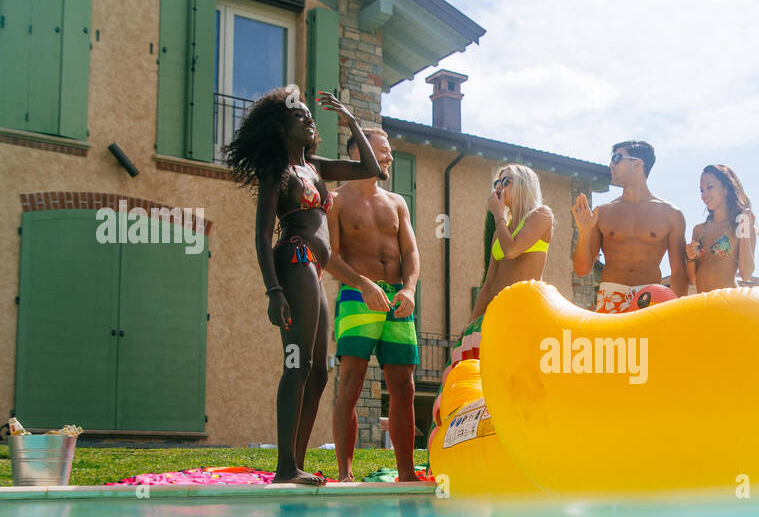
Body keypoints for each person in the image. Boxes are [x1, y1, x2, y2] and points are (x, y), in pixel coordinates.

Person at [225, 86, 382, 485]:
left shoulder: (315, 168)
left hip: (314, 268)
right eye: (300, 117)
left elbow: (371, 168)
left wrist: (350, 119)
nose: (310, 121)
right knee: (297, 363)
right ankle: (284, 467)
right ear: (280, 127)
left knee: (318, 373)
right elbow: (262, 236)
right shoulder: (276, 171)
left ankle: (293, 461)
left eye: (312, 117)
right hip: (293, 261)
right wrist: (273, 291)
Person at [324, 129, 421, 482]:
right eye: (382, 152)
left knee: (404, 386)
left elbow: (411, 252)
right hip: (356, 298)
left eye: (390, 152)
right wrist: (363, 284)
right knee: (350, 381)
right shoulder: (334, 200)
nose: (389, 158)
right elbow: (329, 256)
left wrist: (409, 289)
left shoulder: (397, 202)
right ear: (357, 154)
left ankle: (407, 473)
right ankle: (345, 474)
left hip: (397, 299)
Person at [432, 165, 552, 424]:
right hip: (492, 316)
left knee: (514, 378)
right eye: (497, 182)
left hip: (520, 314)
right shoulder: (503, 228)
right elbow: (488, 284)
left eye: (505, 181)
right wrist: (471, 325)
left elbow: (512, 251)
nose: (498, 187)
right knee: (473, 377)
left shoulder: (541, 215)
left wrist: (498, 215)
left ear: (523, 184)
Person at [572, 141, 688, 312]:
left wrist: (676, 311)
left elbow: (679, 272)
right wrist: (584, 232)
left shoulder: (671, 214)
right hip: (611, 297)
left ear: (637, 164)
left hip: (651, 300)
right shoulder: (603, 212)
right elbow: (581, 269)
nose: (611, 164)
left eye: (617, 158)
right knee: (611, 341)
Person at [685, 165, 757, 292]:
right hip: (704, 304)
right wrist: (690, 258)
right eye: (702, 190)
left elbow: (746, 274)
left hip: (728, 303)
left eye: (709, 187)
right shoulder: (698, 230)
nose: (704, 195)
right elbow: (694, 279)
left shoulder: (740, 224)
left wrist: (745, 229)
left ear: (726, 189)